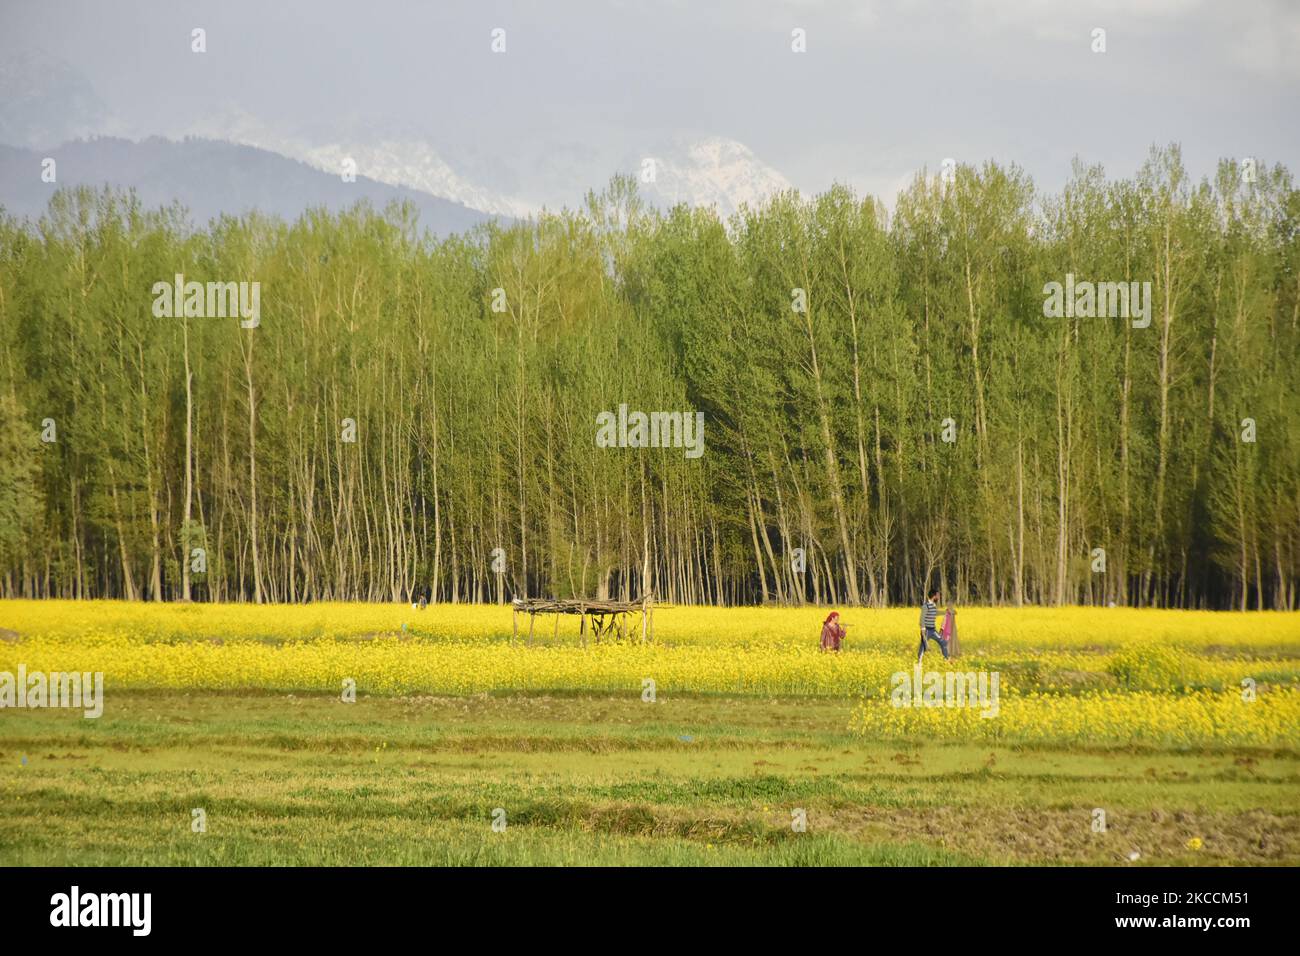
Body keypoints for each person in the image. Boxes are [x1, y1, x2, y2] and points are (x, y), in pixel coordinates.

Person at [917, 588, 949, 662]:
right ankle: (919, 662)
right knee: (923, 646)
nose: (938, 597)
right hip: (926, 630)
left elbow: (935, 613)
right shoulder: (926, 606)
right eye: (937, 595)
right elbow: (921, 619)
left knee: (943, 642)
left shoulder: (933, 605)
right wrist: (923, 630)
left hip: (933, 630)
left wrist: (945, 612)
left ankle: (946, 659)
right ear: (934, 596)